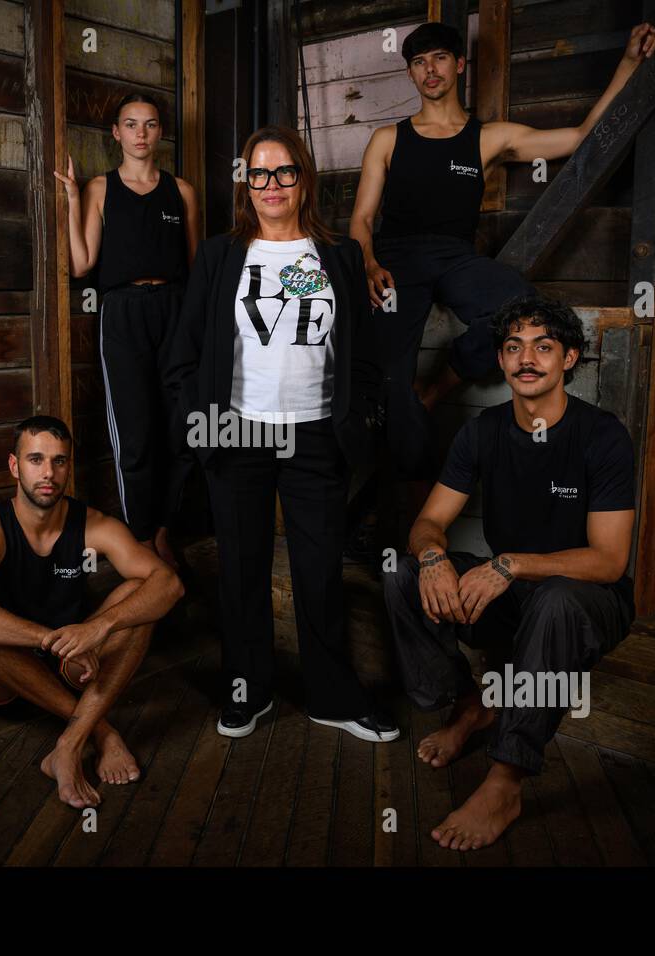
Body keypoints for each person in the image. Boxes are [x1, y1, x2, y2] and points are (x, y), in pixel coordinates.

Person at [349, 20, 655, 486]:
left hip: (456, 258)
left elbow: (580, 137)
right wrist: (368, 263)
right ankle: (408, 501)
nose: (429, 70)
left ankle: (439, 388)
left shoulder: (487, 138)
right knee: (392, 382)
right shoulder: (387, 140)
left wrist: (629, 63)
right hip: (397, 262)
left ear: (459, 64)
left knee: (521, 311)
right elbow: (360, 220)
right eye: (418, 62)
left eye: (438, 58)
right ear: (411, 74)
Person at [165, 125, 397, 742]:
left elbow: (367, 360)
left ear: (304, 180)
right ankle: (250, 690)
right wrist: (202, 426)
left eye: (284, 172)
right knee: (241, 571)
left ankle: (331, 696)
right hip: (236, 433)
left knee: (319, 571)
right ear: (247, 185)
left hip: (316, 434)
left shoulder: (340, 256)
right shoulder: (219, 256)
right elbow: (183, 354)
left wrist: (360, 419)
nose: (271, 185)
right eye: (258, 174)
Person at [382, 295, 636, 850]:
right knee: (401, 572)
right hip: (510, 593)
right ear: (500, 361)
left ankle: (506, 780)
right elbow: (428, 522)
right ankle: (470, 704)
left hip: (587, 601)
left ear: (569, 359)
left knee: (557, 601)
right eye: (514, 347)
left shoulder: (602, 436)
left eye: (543, 347)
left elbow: (609, 561)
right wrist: (431, 559)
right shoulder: (483, 431)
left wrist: (510, 563)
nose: (527, 359)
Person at [0, 416, 184, 809]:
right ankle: (100, 731)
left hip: (75, 665)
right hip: (3, 678)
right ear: (15, 466)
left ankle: (66, 746)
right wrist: (47, 641)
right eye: (35, 460)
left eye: (59, 461)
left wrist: (100, 628)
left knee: (140, 593)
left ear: (69, 466)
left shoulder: (93, 524)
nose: (47, 472)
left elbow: (168, 583)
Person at [55, 92, 202, 570]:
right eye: (131, 124)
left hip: (176, 310)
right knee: (135, 432)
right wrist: (74, 198)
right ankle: (140, 535)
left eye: (151, 124)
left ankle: (163, 529)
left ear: (161, 133)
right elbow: (81, 264)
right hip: (122, 312)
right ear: (116, 133)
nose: (141, 133)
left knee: (184, 425)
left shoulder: (181, 192)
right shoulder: (100, 188)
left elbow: (197, 268)